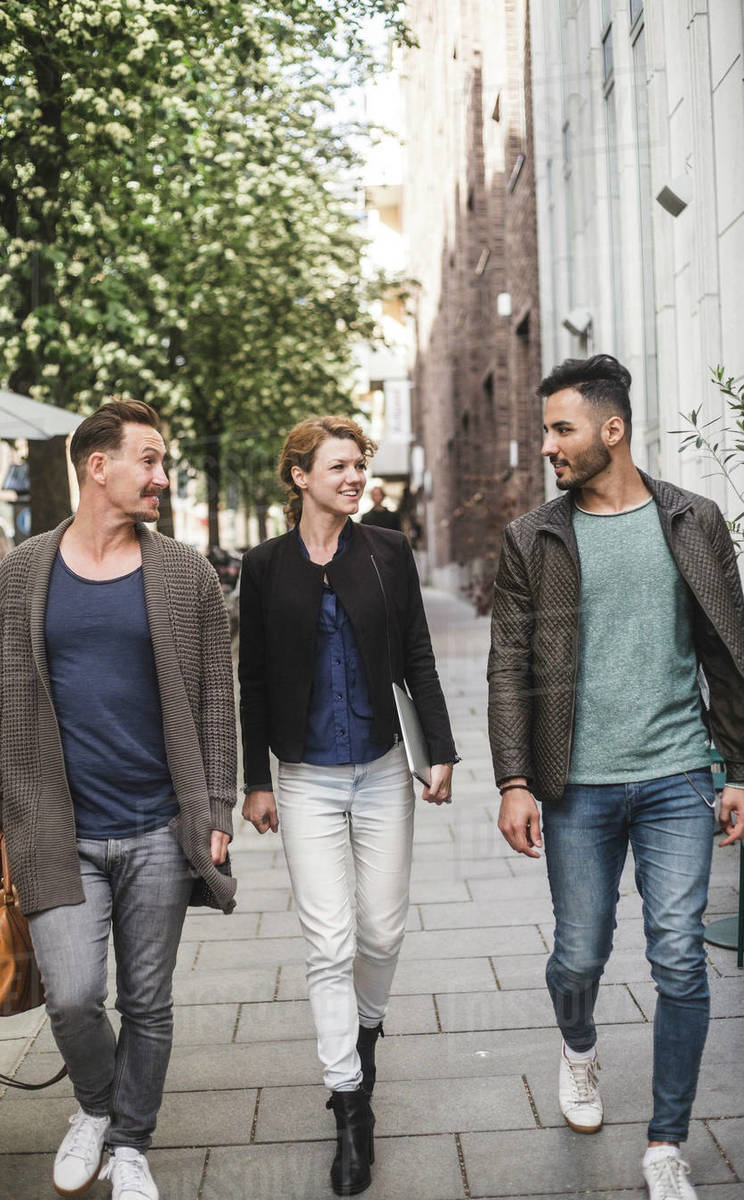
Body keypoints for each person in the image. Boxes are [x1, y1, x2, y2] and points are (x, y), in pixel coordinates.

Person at [488, 354, 744, 1200]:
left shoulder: (694, 521)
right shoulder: (535, 537)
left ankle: (666, 1142)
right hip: (577, 785)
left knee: (679, 957)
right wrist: (515, 780)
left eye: (562, 429)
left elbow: (728, 651)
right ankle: (579, 1047)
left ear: (612, 429)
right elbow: (508, 666)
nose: (549, 445)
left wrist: (737, 767)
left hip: (679, 774)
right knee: (579, 953)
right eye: (548, 429)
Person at [0, 400, 237, 1200]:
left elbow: (214, 702)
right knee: (75, 995)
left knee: (148, 999)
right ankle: (94, 1108)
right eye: (151, 461)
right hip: (57, 825)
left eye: (164, 463)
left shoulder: (182, 571)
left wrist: (217, 808)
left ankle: (131, 1142)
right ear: (100, 466)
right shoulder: (23, 570)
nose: (163, 477)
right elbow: (7, 697)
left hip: (161, 824)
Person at [238, 415, 457, 1196]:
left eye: (359, 465)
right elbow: (254, 677)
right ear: (299, 475)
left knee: (384, 928)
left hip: (382, 766)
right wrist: (254, 778)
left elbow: (421, 656)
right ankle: (350, 1104)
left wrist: (441, 752)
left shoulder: (386, 550)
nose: (355, 476)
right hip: (304, 779)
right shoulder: (264, 566)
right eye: (339, 466)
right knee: (328, 940)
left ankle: (364, 1037)